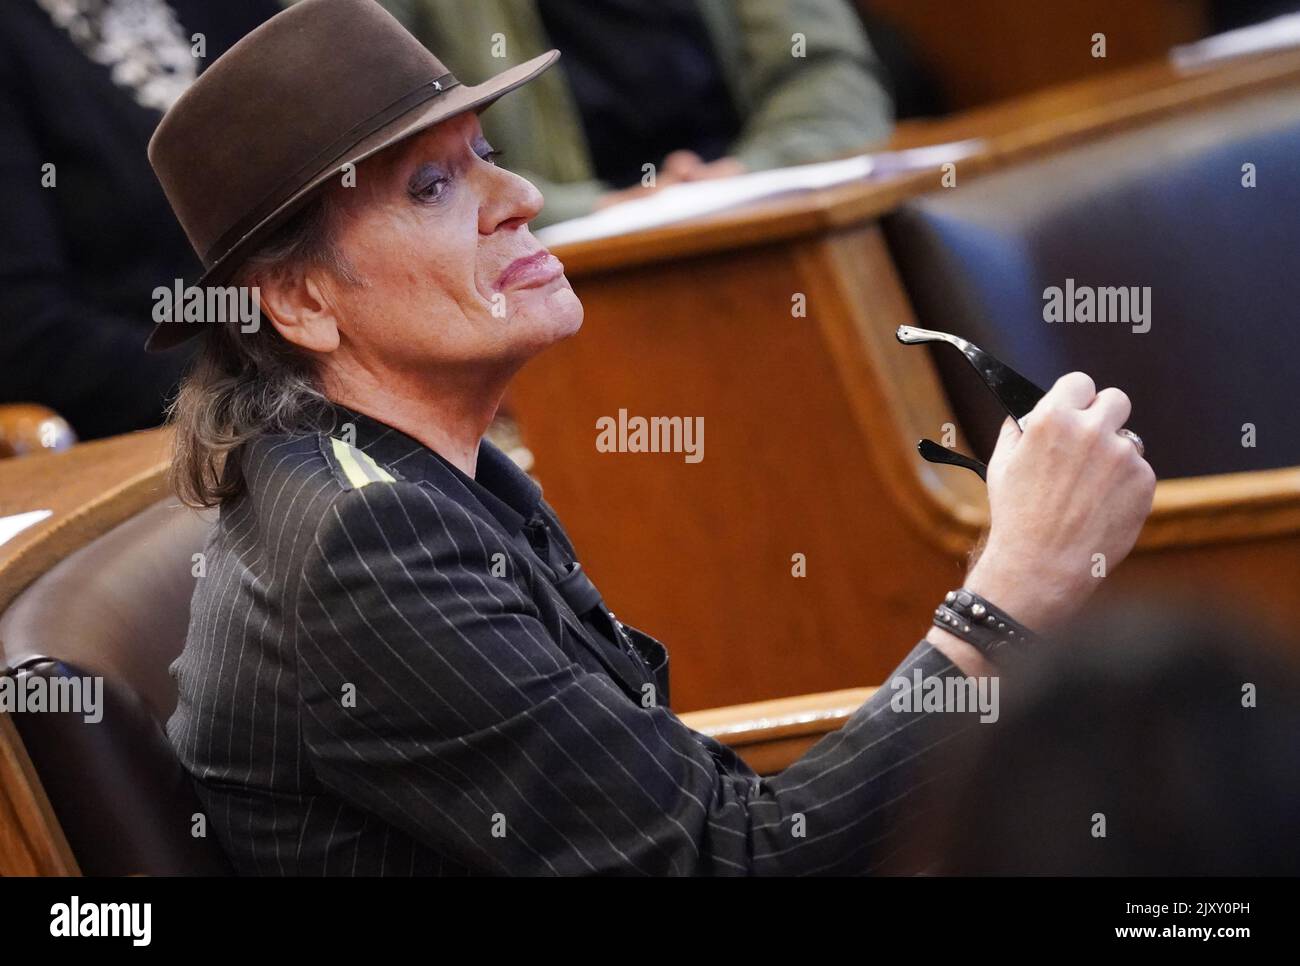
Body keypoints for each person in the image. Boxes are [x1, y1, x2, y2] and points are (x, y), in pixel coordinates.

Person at [154, 0, 1155, 875]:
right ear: (299, 301)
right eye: (433, 187)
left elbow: (694, 813)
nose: (523, 201)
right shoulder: (362, 549)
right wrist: (1012, 594)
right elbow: (730, 866)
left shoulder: (427, 480)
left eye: (487, 156)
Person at [0, 0, 280, 439]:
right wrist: (258, 380)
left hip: (326, 354)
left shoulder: (232, 11)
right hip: (170, 428)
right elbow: (25, 333)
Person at [371, 0, 895, 225]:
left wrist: (739, 179)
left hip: (768, 206)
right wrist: (604, 210)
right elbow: (389, 151)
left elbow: (827, 77)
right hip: (560, 255)